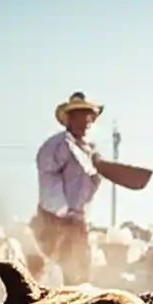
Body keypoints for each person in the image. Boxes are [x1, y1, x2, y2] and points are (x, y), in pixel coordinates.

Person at [34, 92, 105, 285]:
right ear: (69, 119)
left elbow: (89, 189)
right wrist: (64, 214)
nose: (85, 120)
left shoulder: (89, 150)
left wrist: (81, 217)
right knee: (56, 273)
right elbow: (48, 181)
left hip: (78, 223)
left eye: (88, 116)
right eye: (79, 115)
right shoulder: (56, 146)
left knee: (81, 275)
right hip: (57, 222)